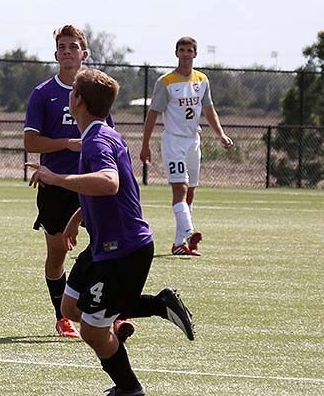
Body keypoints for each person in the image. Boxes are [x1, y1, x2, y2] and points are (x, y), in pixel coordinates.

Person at [29, 69, 196, 396]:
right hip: (103, 246)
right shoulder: (103, 133)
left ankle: (129, 388)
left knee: (92, 330)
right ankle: (158, 305)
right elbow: (117, 189)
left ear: (77, 99)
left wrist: (56, 178)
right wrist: (78, 216)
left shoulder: (97, 141)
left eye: (73, 89)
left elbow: (110, 183)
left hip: (124, 250)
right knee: (69, 308)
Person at [24, 24, 110, 339]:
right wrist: (67, 144)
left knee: (107, 247)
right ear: (56, 53)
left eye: (73, 47)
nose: (67, 52)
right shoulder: (43, 93)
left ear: (84, 53)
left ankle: (106, 313)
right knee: (57, 253)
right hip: (55, 187)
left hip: (89, 184)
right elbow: (30, 142)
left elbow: (107, 134)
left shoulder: (95, 90)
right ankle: (62, 315)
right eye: (62, 47)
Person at [140, 36, 234, 256]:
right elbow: (153, 114)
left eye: (189, 50)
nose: (185, 54)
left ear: (195, 53)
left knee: (190, 191)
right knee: (180, 189)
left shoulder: (202, 80)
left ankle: (179, 244)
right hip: (174, 141)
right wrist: (145, 144)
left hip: (194, 141)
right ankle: (190, 233)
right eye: (181, 50)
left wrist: (220, 134)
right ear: (176, 53)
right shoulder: (166, 82)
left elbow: (209, 109)